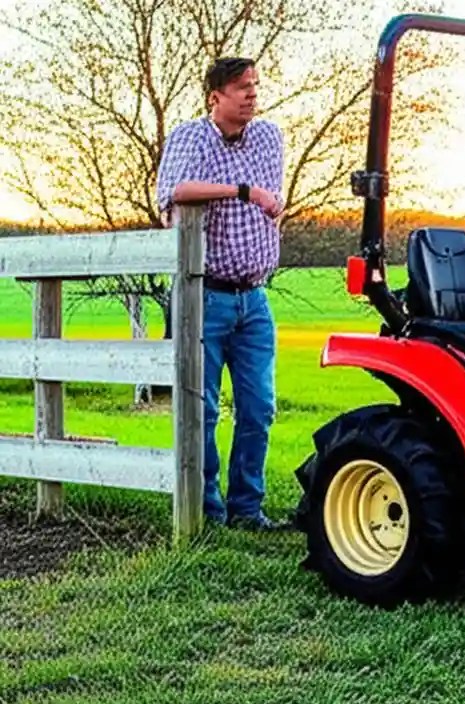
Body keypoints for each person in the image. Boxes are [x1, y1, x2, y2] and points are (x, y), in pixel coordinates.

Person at [155, 57, 289, 531]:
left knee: (259, 406)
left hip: (254, 297)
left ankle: (247, 510)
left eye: (254, 85)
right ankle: (208, 511)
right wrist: (243, 191)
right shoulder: (191, 137)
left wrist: (265, 204)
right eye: (240, 88)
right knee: (203, 406)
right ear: (216, 96)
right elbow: (172, 192)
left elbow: (276, 200)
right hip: (205, 296)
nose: (251, 94)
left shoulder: (269, 137)